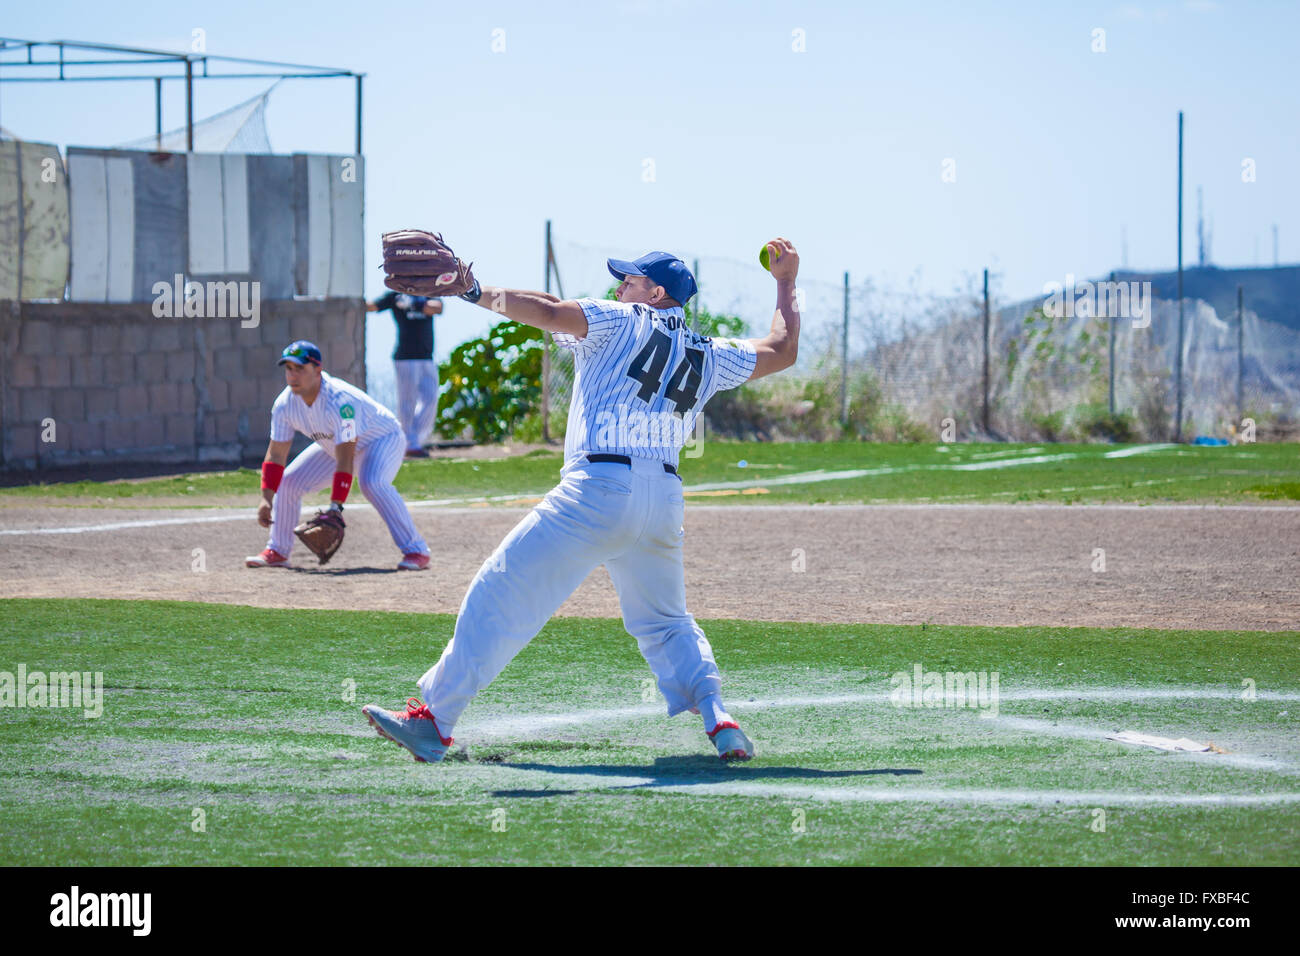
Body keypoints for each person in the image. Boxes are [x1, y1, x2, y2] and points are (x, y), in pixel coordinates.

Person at [362, 238, 801, 762]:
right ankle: (719, 717)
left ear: (655, 293)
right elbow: (783, 348)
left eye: (631, 279)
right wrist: (786, 280)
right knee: (666, 621)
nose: (620, 286)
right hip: (662, 500)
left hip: (597, 490)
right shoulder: (707, 353)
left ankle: (433, 721)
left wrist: (473, 289)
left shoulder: (621, 318)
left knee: (502, 592)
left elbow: (546, 310)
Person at [245, 339, 432, 571]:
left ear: (318, 370)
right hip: (336, 444)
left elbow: (345, 459)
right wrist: (267, 498)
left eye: (300, 368)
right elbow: (276, 454)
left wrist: (336, 506)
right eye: (289, 369)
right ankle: (278, 551)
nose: (293, 375)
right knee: (290, 481)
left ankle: (417, 550)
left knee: (372, 483)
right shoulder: (285, 405)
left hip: (382, 439)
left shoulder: (341, 403)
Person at [366, 292, 443, 458]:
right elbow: (373, 306)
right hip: (405, 357)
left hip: (427, 356)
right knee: (407, 402)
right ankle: (409, 443)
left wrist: (414, 304)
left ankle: (412, 440)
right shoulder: (395, 295)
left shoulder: (427, 291)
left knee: (431, 400)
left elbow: (437, 308)